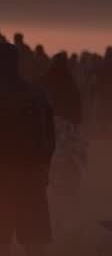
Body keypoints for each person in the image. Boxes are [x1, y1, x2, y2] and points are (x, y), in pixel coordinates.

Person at [0, 42, 56, 256]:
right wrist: (42, 167)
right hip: (30, 177)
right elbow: (50, 137)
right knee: (34, 245)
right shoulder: (37, 94)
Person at [43, 52, 88, 202]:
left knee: (57, 158)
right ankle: (67, 189)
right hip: (67, 126)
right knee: (68, 157)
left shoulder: (48, 80)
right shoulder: (69, 82)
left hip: (54, 125)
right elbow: (77, 107)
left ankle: (60, 188)